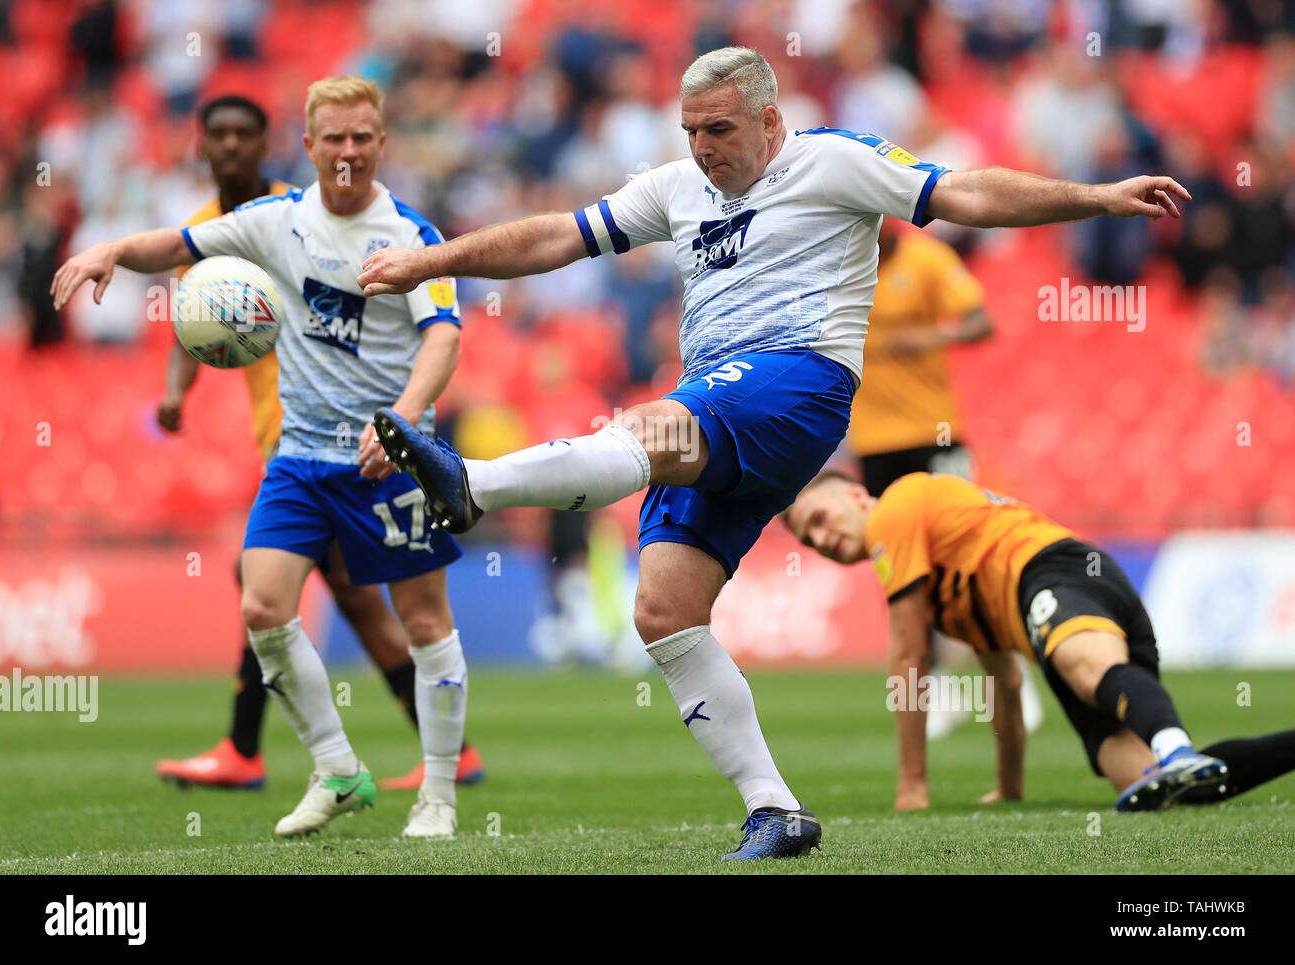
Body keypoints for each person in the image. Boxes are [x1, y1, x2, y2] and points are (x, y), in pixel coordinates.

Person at [357, 46, 1191, 859]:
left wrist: (1098, 197)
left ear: (769, 117)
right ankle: (776, 809)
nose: (702, 148)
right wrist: (435, 261)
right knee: (664, 611)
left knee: (656, 426)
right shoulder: (678, 187)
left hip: (799, 384)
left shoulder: (836, 162)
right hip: (721, 399)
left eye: (718, 128)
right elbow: (557, 239)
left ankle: (471, 485)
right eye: (690, 130)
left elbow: (965, 191)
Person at [52, 76, 471, 839]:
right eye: (333, 138)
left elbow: (443, 336)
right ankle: (338, 768)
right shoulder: (274, 221)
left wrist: (404, 421)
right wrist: (112, 248)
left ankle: (438, 792)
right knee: (261, 604)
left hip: (390, 461)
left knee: (423, 620)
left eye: (362, 138)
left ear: (381, 144)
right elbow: (178, 246)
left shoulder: (415, 235)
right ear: (308, 147)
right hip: (302, 457)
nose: (348, 152)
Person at [151, 94, 483, 793]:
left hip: (334, 430)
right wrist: (178, 391)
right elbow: (196, 313)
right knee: (322, 592)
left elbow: (437, 325)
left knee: (289, 585)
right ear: (202, 146)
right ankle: (422, 747)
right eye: (220, 135)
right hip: (290, 431)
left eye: (247, 133)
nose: (233, 146)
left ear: (278, 142)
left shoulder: (295, 212)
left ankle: (251, 748)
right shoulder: (212, 229)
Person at [782, 470, 1295, 811]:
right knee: (1164, 792)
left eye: (819, 520)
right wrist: (1010, 789)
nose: (822, 541)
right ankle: (1191, 754)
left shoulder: (894, 511)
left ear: (855, 494)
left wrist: (912, 784)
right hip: (1062, 621)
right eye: (809, 542)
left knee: (1086, 668)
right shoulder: (949, 582)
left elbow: (909, 655)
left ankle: (1175, 746)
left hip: (1057, 573)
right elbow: (1005, 683)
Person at [847, 215, 1042, 740]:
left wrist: (929, 335)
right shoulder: (841, 265)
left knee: (967, 550)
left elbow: (983, 321)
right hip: (874, 441)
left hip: (937, 435)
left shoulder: (927, 259)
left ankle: (1010, 675)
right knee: (902, 563)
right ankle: (934, 687)